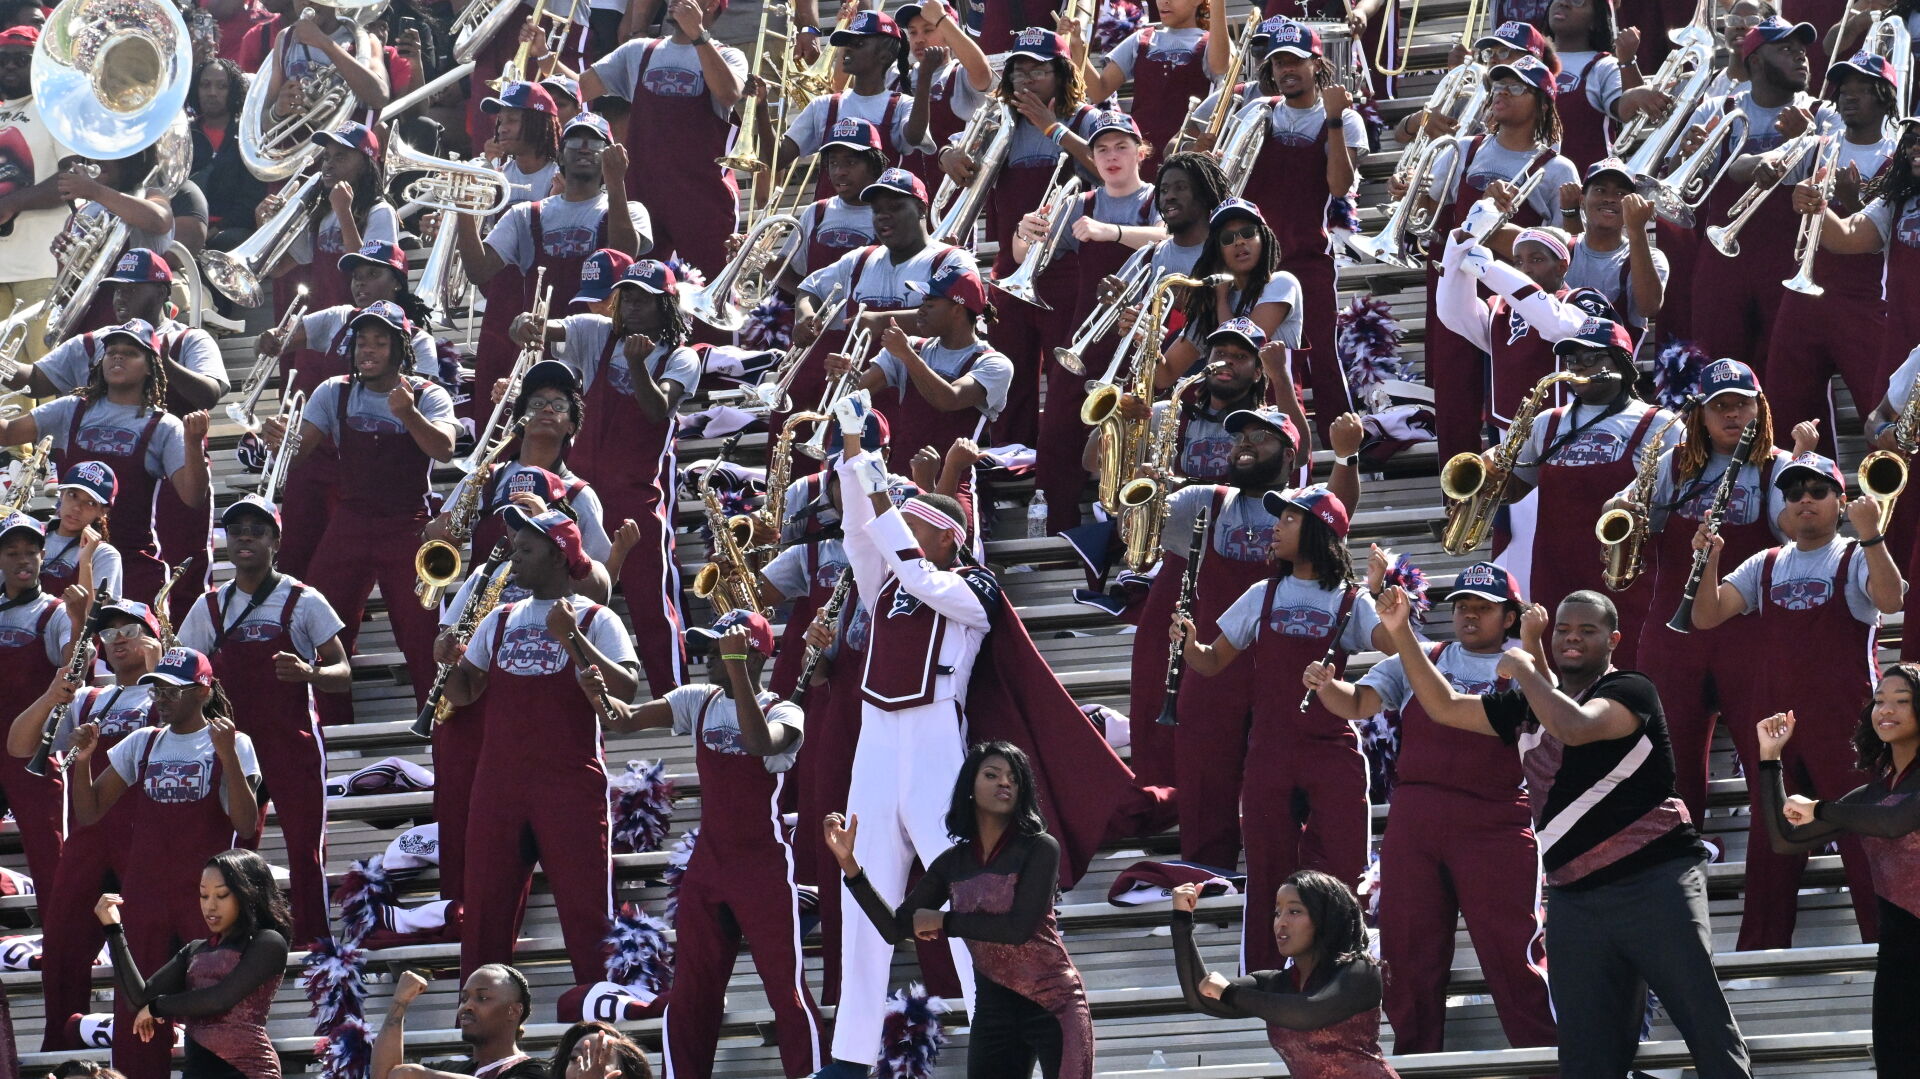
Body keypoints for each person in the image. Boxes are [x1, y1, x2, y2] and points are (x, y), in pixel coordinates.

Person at [1376, 585, 1753, 1079]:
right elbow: (1444, 706)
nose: (1572, 639)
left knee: (1703, 1022)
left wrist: (1528, 671)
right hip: (1576, 896)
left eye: (1587, 631)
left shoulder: (1631, 689)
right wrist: (1402, 631)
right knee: (1587, 1053)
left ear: (1613, 639)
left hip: (1654, 882)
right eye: (1565, 630)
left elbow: (1572, 726)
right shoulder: (1528, 703)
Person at [1304, 561, 1556, 1053]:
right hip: (1414, 819)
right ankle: (1417, 1059)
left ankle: (1548, 1057)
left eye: (1482, 607)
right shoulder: (1423, 656)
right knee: (1408, 950)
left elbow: (1552, 711)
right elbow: (1358, 703)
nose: (1468, 615)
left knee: (1513, 951)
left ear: (1510, 617)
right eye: (1461, 605)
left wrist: (1536, 645)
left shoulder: (1524, 663)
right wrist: (1326, 686)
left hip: (1496, 820)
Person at [1689, 451, 1906, 947]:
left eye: (1817, 490)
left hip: (1849, 728)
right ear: (1782, 508)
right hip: (1780, 729)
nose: (1805, 500)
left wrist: (1871, 534)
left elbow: (1892, 601)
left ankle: (1888, 947)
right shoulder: (1764, 563)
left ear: (1839, 499)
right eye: (1793, 493)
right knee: (1771, 839)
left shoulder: (1853, 555)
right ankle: (1761, 953)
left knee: (1864, 834)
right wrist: (1709, 559)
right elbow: (1707, 617)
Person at [601, 609, 824, 1079]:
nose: (708, 656)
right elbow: (624, 721)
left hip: (762, 863)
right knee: (691, 993)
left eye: (719, 648)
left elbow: (762, 744)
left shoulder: (785, 710)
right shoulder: (699, 698)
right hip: (709, 862)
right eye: (709, 647)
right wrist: (588, 669)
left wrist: (738, 666)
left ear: (752, 652)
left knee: (787, 990)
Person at [1174, 485, 1383, 972]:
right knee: (1268, 868)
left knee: (1343, 866)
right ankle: (1266, 976)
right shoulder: (1260, 593)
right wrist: (1187, 642)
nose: (1276, 528)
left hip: (1331, 750)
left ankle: (1345, 971)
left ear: (1319, 531)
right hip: (1269, 750)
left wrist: (1383, 597)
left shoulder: (1351, 599)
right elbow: (1210, 662)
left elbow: (1397, 653)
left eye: (1288, 520)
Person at [438, 507, 638, 1004]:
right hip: (498, 785)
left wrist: (571, 638)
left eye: (525, 550)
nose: (514, 558)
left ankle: (600, 1011)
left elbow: (627, 687)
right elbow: (465, 694)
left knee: (585, 905)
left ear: (558, 553)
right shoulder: (499, 618)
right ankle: (481, 1015)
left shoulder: (596, 617)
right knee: (485, 907)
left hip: (568, 783)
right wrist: (448, 661)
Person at [827, 742, 1094, 1079]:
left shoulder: (1040, 847)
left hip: (1055, 1006)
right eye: (992, 774)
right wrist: (850, 866)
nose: (1004, 783)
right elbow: (895, 928)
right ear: (970, 787)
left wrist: (945, 921)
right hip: (994, 1013)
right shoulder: (953, 863)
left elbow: (1018, 929)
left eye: (1013, 778)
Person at [1605, 359, 1794, 823]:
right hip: (1674, 637)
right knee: (1670, 753)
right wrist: (1619, 505)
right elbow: (1626, 511)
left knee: (1766, 754)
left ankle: (1780, 844)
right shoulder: (1675, 462)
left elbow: (1794, 542)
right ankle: (1677, 849)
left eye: (1743, 405)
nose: (1733, 416)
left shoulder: (1782, 468)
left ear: (1760, 408)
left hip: (1751, 635)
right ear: (1701, 416)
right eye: (1721, 407)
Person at [65, 646, 262, 1079]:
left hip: (208, 898)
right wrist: (81, 762)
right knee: (136, 1007)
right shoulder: (144, 741)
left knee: (214, 1009)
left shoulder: (234, 742)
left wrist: (227, 754)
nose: (161, 698)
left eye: (173, 690)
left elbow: (245, 823)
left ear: (202, 690)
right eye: (158, 689)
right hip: (146, 893)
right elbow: (91, 811)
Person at [6, 253, 229, 618]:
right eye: (115, 291)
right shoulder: (93, 348)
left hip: (166, 479)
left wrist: (161, 358)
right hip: (87, 528)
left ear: (161, 291)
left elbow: (208, 394)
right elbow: (36, 380)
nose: (120, 298)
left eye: (132, 288)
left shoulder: (190, 339)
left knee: (181, 579)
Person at [516, 260, 700, 690]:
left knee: (651, 606)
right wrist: (526, 324)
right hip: (575, 496)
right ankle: (561, 691)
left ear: (667, 305)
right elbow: (548, 327)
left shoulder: (681, 356)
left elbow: (657, 411)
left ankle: (674, 699)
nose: (633, 306)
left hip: (634, 498)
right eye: (627, 297)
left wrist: (638, 365)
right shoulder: (597, 332)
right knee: (563, 598)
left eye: (644, 299)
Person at [176, 496, 350, 948]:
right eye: (236, 531)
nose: (246, 537)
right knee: (232, 853)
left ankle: (314, 940)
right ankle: (232, 944)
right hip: (231, 747)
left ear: (276, 540)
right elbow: (181, 673)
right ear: (227, 542)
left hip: (290, 742)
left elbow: (342, 672)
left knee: (305, 849)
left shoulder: (304, 599)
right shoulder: (208, 606)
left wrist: (311, 672)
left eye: (257, 529)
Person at [7, 597, 162, 1052]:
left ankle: (143, 1049)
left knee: (146, 951)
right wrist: (53, 696)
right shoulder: (89, 698)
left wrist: (161, 668)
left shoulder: (175, 694)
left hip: (148, 840)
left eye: (128, 631)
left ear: (152, 638)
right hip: (89, 839)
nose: (116, 642)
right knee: (62, 948)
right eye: (107, 634)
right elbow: (19, 745)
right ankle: (59, 1049)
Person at [1407, 55, 1578, 462]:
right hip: (1461, 291)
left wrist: (1489, 223)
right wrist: (1410, 194)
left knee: (1516, 403)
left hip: (1518, 306)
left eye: (1515, 87)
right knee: (1455, 398)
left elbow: (1561, 248)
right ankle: (1457, 505)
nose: (1501, 92)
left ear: (1541, 101)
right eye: (1497, 84)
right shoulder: (1463, 150)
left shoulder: (1557, 168)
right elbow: (1429, 221)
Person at [1757, 672, 1920, 1073]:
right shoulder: (1871, 794)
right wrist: (1769, 758)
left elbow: (1894, 822)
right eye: (1880, 700)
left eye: (1902, 700)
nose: (1887, 709)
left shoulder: (1880, 802)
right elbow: (1784, 839)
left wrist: (1820, 809)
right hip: (1899, 956)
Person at [1016, 110, 1165, 531]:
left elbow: (1172, 236)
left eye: (1121, 147)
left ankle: (1137, 532)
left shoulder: (1157, 197)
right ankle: (1057, 528)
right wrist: (1023, 230)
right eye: (1102, 149)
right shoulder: (1079, 204)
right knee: (1059, 433)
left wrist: (1111, 232)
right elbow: (1019, 256)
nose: (1112, 156)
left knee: (1138, 437)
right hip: (1086, 339)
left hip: (1142, 335)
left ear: (1141, 152)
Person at [254, 242, 440, 577]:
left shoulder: (419, 340)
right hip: (321, 453)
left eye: (372, 274)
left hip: (380, 474)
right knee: (300, 558)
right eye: (356, 276)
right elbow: (279, 338)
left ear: (397, 281)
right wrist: (267, 339)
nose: (360, 283)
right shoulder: (340, 316)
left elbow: (418, 404)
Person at [952, 27, 1100, 447]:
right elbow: (953, 152)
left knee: (1066, 378)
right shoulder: (1000, 120)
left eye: (1037, 70)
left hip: (1070, 268)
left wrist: (1053, 128)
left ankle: (1062, 462)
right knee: (1010, 375)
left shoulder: (1089, 118)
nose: (1024, 79)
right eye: (1018, 69)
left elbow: (1110, 169)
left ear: (1062, 74)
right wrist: (950, 156)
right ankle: (1009, 459)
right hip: (1010, 268)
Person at [454, 111, 649, 426]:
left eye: (594, 143)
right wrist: (463, 211)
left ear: (611, 156)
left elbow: (624, 254)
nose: (584, 149)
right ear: (560, 154)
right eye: (575, 142)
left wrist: (616, 184)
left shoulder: (631, 210)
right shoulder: (524, 214)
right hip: (541, 352)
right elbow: (479, 271)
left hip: (602, 352)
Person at [1500, 317, 1677, 657]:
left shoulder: (1659, 423)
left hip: (1627, 579)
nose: (1578, 366)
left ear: (1621, 363)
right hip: (1555, 578)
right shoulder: (1546, 422)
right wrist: (1491, 474)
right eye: (1572, 358)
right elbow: (1517, 489)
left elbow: (1675, 500)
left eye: (1591, 357)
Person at [1228, 20, 1363, 442]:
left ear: (1316, 64)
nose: (1286, 70)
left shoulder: (1345, 120)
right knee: (1251, 354)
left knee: (1322, 352)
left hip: (1308, 257)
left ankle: (1342, 446)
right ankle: (1262, 439)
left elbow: (1340, 187)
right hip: (1252, 260)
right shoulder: (1257, 110)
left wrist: (1337, 120)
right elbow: (1227, 176)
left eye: (1295, 61)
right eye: (1278, 62)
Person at [1683, 17, 1837, 376]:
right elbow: (1686, 183)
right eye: (1786, 50)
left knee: (1789, 376)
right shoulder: (1716, 109)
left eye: (1802, 51)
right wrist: (1685, 156)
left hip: (1791, 260)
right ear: (1755, 60)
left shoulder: (1824, 113)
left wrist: (1810, 138)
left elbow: (1839, 176)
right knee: (1714, 368)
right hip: (1723, 266)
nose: (1800, 57)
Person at [1766, 51, 1901, 453]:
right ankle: (1806, 500)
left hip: (1866, 302)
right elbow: (1755, 169)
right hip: (1803, 297)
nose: (1849, 97)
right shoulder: (1817, 143)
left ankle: (1892, 508)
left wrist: (1851, 201)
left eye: (1863, 90)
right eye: (1845, 89)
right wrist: (1772, 170)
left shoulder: (1900, 156)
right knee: (1786, 407)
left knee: (1880, 411)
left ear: (1885, 97)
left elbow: (1890, 236)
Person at [1170, 871, 1397, 1079]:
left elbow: (1308, 1012)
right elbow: (1201, 996)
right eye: (1278, 913)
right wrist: (1181, 920)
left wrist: (1230, 992)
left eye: (1295, 911)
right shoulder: (1275, 982)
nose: (1281, 922)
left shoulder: (1360, 972)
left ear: (1326, 918)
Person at [578, 0, 745, 275]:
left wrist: (699, 35)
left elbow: (728, 93)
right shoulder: (638, 50)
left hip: (703, 197)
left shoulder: (730, 56)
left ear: (713, 4)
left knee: (710, 292)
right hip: (644, 193)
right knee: (637, 289)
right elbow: (581, 90)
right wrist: (544, 57)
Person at [95, 849, 289, 1079]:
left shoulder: (267, 942)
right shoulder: (195, 949)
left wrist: (157, 1007)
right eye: (203, 896)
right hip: (197, 1071)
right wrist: (114, 929)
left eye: (222, 895)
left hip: (248, 1070)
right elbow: (139, 998)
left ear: (249, 894)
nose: (210, 906)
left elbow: (220, 998)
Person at [825, 262, 1011, 470]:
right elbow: (851, 396)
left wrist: (907, 355)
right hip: (900, 477)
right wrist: (840, 376)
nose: (919, 311)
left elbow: (948, 400)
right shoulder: (912, 346)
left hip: (953, 482)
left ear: (957, 310)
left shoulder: (994, 363)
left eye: (929, 304)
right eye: (922, 302)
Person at [1153, 200, 1306, 415]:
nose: (1239, 242)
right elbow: (1164, 375)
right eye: (1228, 238)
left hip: (1277, 420)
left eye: (1248, 232)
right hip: (1223, 428)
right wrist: (1147, 342)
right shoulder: (1211, 305)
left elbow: (1241, 345)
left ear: (1263, 237)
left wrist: (1221, 299)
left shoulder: (1281, 283)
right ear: (1218, 251)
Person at [0, 512, 74, 921]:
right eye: (12, 553)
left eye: (31, 552)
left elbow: (74, 664)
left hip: (32, 751)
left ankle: (60, 942)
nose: (23, 560)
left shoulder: (57, 612)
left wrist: (81, 623)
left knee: (49, 851)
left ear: (44, 556)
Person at [1078, 0, 1225, 181]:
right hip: (1139, 162)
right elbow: (1099, 91)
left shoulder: (1214, 42)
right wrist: (1077, 47)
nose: (1164, 2)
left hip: (1186, 164)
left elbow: (1221, 67)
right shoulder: (1141, 38)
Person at [266, 122, 397, 311]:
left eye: (340, 157)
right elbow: (277, 269)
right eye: (326, 157)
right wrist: (267, 223)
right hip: (323, 321)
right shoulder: (321, 214)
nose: (328, 165)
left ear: (365, 165)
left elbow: (366, 274)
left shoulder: (380, 211)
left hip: (361, 322)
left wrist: (343, 212)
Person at [0, 25, 71, 362]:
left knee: (48, 366)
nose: (10, 66)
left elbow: (75, 178)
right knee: (4, 380)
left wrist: (13, 203)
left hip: (43, 264)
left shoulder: (54, 111)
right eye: (3, 60)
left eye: (21, 59)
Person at [1549, 159, 1668, 338]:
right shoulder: (1559, 245)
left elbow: (1648, 307)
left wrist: (1636, 229)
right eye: (1600, 190)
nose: (1610, 199)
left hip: (1615, 365)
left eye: (1621, 193)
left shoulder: (1654, 257)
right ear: (1582, 201)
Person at [372, 964, 548, 1079]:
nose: (467, 1006)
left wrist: (414, 1074)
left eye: (483, 997)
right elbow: (385, 1076)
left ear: (514, 1011)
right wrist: (399, 1002)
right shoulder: (447, 1068)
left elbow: (406, 1075)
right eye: (463, 998)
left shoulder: (537, 1071)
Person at [894, 0, 994, 192]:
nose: (919, 39)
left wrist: (941, 19)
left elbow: (983, 72)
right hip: (903, 204)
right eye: (913, 32)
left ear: (949, 32)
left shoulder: (960, 75)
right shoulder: (897, 78)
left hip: (953, 200)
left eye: (928, 30)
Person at [186, 58, 266, 257]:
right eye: (205, 85)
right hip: (186, 228)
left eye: (222, 86)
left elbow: (251, 200)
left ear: (234, 91)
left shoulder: (249, 136)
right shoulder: (184, 135)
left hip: (231, 234)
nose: (212, 92)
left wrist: (213, 231)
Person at [39, 462, 122, 597]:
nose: (77, 508)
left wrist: (86, 561)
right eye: (73, 495)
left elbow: (94, 615)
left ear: (103, 511)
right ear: (61, 494)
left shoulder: (105, 554)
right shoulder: (32, 535)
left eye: (90, 503)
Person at [479, 82, 562, 215]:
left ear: (539, 124)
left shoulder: (561, 180)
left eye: (512, 119)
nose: (501, 129)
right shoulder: (497, 178)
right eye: (500, 120)